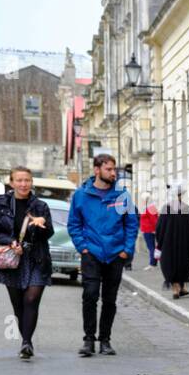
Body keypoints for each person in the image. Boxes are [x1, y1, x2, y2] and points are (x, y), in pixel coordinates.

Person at [68, 153, 137, 357]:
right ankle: (89, 340)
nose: (113, 173)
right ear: (97, 170)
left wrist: (127, 250)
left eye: (114, 169)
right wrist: (83, 247)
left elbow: (132, 223)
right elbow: (74, 224)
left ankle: (105, 340)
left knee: (110, 299)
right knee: (89, 295)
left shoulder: (122, 195)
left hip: (116, 254)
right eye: (108, 169)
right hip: (92, 254)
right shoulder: (81, 195)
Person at [0, 166, 54, 359]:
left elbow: (48, 232)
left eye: (27, 180)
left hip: (37, 258)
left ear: (31, 182)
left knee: (31, 299)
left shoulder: (40, 206)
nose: (23, 184)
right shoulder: (1, 203)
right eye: (19, 180)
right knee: (18, 304)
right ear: (11, 182)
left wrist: (41, 224)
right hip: (12, 259)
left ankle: (26, 343)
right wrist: (11, 242)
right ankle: (26, 339)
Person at [156, 190, 189, 299]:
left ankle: (176, 289)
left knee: (169, 265)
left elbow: (159, 227)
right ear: (180, 196)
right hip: (183, 245)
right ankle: (180, 288)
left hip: (168, 244)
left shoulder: (166, 209)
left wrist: (160, 243)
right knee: (181, 264)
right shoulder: (186, 208)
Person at [139, 196, 159, 269]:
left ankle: (152, 264)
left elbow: (154, 220)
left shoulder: (150, 207)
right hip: (147, 230)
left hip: (149, 230)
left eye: (143, 199)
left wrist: (155, 229)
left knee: (151, 247)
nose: (142, 201)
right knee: (151, 247)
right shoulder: (148, 207)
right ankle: (153, 263)